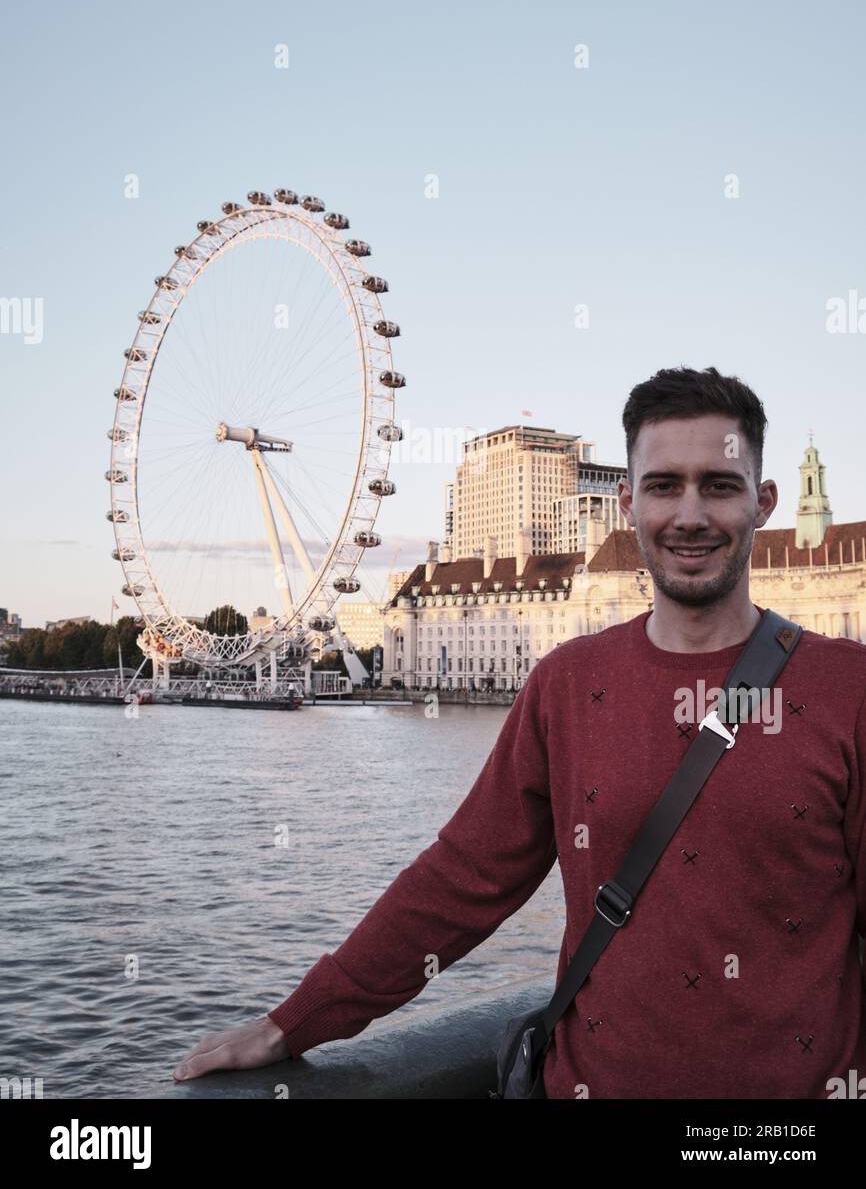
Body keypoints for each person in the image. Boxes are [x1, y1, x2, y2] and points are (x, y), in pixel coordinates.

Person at [173, 366, 866, 1097]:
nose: (689, 514)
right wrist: (296, 1020)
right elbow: (462, 879)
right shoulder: (567, 686)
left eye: (719, 485)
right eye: (664, 486)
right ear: (625, 503)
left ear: (763, 504)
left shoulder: (846, 688)